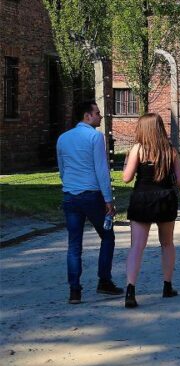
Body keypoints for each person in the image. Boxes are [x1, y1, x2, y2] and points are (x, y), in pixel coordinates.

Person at [57, 100, 124, 304]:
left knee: (74, 245)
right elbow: (101, 170)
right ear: (87, 116)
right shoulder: (95, 137)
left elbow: (62, 168)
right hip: (92, 194)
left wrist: (69, 184)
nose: (100, 116)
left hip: (70, 195)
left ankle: (74, 291)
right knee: (107, 236)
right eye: (97, 113)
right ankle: (104, 281)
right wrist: (108, 199)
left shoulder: (62, 138)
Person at [122, 113, 180, 309]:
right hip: (165, 198)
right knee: (167, 244)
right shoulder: (170, 150)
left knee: (137, 246)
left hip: (142, 199)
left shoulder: (138, 149)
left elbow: (126, 178)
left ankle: (130, 290)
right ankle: (167, 285)